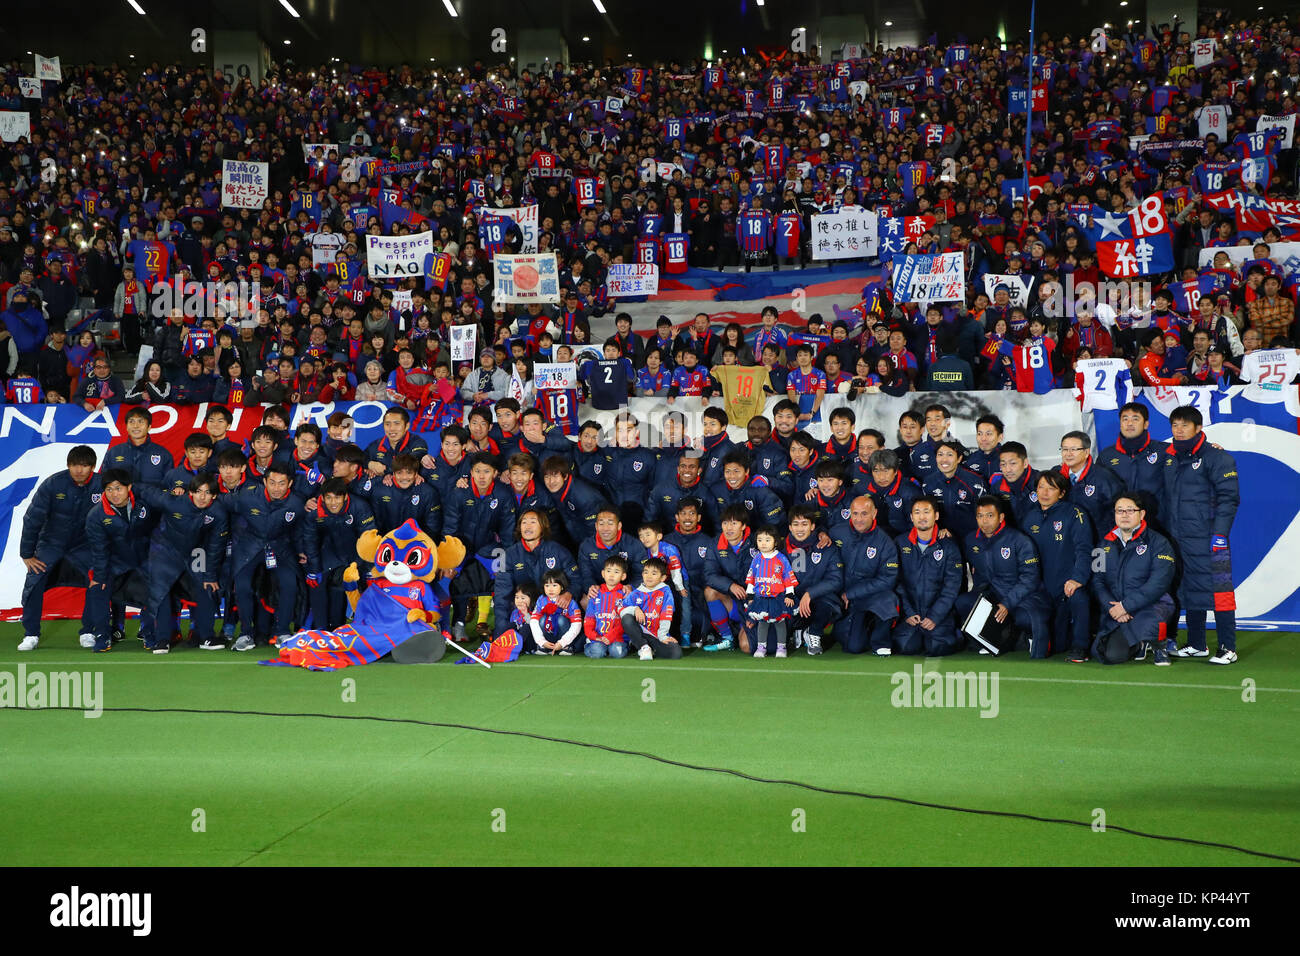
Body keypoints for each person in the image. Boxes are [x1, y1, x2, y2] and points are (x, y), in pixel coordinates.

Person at [1164, 405, 1241, 664]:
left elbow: (1229, 499)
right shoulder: (1169, 456)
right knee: (1189, 589)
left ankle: (1227, 647)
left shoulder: (1218, 457)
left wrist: (1220, 534)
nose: (1179, 430)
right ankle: (1197, 644)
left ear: (1199, 428)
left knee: (1220, 591)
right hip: (1178, 538)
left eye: (1185, 425)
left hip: (1209, 538)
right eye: (1175, 425)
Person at [17, 445, 102, 651]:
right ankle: (31, 634)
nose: (79, 470)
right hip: (52, 542)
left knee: (97, 580)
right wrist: (27, 554)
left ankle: (88, 631)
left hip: (84, 544)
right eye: (74, 465)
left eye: (84, 465)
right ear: (68, 465)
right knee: (34, 581)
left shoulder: (103, 485)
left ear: (92, 466)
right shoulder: (53, 484)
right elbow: (32, 519)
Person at [133, 474, 228, 653]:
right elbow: (145, 491)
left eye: (208, 493)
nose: (202, 496)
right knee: (161, 590)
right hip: (165, 549)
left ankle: (206, 637)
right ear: (191, 492)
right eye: (198, 491)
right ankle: (162, 639)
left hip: (196, 551)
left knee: (207, 585)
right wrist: (125, 488)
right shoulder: (172, 501)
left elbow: (216, 547)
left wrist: (211, 575)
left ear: (214, 496)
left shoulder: (218, 513)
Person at [219, 462, 307, 649]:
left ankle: (283, 632)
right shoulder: (247, 496)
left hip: (280, 549)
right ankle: (245, 634)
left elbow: (299, 530)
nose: (276, 488)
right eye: (272, 482)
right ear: (264, 482)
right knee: (242, 587)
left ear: (290, 484)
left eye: (281, 483)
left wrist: (301, 550)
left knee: (290, 584)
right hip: (249, 548)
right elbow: (221, 500)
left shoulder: (297, 504)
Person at [955, 497, 1051, 658]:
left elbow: (1030, 578)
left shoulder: (1019, 540)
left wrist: (1007, 603)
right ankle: (993, 638)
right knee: (963, 602)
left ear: (1001, 517)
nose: (984, 521)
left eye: (990, 515)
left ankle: (1026, 636)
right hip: (992, 594)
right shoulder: (971, 540)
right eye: (980, 516)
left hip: (1022, 596)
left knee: (1024, 618)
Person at [1091, 494, 1178, 665]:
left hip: (1150, 606)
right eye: (1120, 511)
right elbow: (1097, 581)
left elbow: (1158, 584)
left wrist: (1126, 606)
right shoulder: (1102, 545)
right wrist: (1113, 608)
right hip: (1116, 609)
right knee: (1108, 655)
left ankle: (1158, 645)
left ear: (1142, 514)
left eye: (1130, 510)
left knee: (1150, 623)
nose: (1124, 515)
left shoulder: (1160, 543)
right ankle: (1139, 644)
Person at [1024, 471, 1094, 661]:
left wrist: (1078, 578)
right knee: (1057, 645)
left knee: (1080, 598)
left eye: (1051, 488)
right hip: (1041, 588)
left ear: (1062, 493)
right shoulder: (1030, 517)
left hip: (1067, 585)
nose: (1045, 493)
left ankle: (1081, 647)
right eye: (1041, 487)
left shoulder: (1075, 514)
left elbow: (1084, 549)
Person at [83, 469, 154, 652]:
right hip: (115, 563)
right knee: (97, 587)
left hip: (144, 559)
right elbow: (100, 550)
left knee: (160, 584)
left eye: (118, 488)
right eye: (109, 489)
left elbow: (157, 532)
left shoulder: (145, 505)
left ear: (129, 487)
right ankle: (103, 635)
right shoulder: (95, 515)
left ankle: (149, 631)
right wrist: (99, 576)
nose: (114, 494)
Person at [302, 477, 377, 631]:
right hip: (328, 551)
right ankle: (320, 631)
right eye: (328, 498)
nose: (333, 502)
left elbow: (368, 540)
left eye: (337, 497)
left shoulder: (360, 507)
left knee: (352, 585)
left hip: (356, 554)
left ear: (345, 497)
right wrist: (314, 569)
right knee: (317, 582)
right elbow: (310, 540)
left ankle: (351, 629)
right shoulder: (315, 510)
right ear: (322, 498)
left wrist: (366, 567)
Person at [893, 496, 964, 656]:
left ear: (936, 515)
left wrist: (935, 616)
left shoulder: (949, 546)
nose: (922, 517)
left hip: (938, 614)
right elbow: (895, 581)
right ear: (911, 517)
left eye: (927, 512)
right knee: (905, 647)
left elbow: (952, 586)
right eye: (917, 512)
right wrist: (908, 612)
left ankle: (957, 634)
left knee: (937, 648)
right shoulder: (900, 543)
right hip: (911, 614)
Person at [492, 509, 579, 638]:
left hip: (553, 612)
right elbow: (501, 594)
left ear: (543, 527)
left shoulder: (558, 551)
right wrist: (501, 629)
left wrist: (569, 593)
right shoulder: (509, 555)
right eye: (524, 522)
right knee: (509, 634)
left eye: (533, 522)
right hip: (524, 614)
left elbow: (576, 579)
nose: (527, 526)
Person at [830, 496, 899, 655]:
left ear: (874, 513)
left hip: (866, 596)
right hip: (840, 599)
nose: (859, 519)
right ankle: (860, 624)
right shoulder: (836, 532)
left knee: (890, 599)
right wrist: (821, 534)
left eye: (864, 514)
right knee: (853, 647)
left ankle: (880, 641)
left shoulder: (885, 542)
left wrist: (852, 594)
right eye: (855, 514)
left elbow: (887, 579)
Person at [702, 505, 756, 653]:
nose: (728, 528)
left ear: (743, 526)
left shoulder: (758, 541)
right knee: (710, 591)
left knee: (746, 647)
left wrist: (753, 596)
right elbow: (709, 575)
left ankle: (745, 630)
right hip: (732, 601)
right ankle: (727, 639)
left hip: (755, 603)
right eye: (725, 523)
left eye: (734, 523)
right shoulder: (714, 544)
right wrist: (730, 585)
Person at [744, 525, 799, 658]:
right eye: (760, 540)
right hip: (760, 598)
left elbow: (788, 578)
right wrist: (750, 596)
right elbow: (751, 579)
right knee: (762, 623)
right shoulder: (756, 559)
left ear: (775, 542)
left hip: (778, 598)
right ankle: (761, 647)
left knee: (780, 623)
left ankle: (781, 647)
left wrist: (789, 595)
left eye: (767, 540)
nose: (763, 543)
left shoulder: (781, 559)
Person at [1056, 430, 1122, 532]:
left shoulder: (1104, 478)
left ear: (1086, 452)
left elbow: (1119, 512)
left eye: (1073, 449)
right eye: (1065, 449)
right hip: (1065, 538)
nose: (1068, 454)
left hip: (1099, 540)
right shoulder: (1056, 475)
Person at [620, 558, 680, 660]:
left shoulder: (665, 591)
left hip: (656, 635)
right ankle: (643, 646)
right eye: (646, 572)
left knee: (676, 653)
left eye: (654, 573)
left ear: (663, 577)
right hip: (639, 632)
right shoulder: (635, 593)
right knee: (627, 618)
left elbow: (666, 615)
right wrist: (634, 609)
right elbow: (621, 610)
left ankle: (648, 648)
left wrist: (663, 636)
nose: (648, 576)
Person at [583, 556, 630, 659]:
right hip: (598, 638)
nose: (612, 575)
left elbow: (625, 621)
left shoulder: (624, 594)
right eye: (608, 571)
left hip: (617, 638)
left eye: (616, 572)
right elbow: (589, 619)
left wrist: (611, 636)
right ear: (603, 574)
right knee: (598, 652)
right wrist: (595, 636)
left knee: (617, 653)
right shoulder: (596, 593)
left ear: (623, 576)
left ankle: (625, 646)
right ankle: (590, 646)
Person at [528, 570, 584, 655]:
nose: (550, 589)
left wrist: (563, 643)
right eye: (547, 585)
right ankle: (546, 647)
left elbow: (577, 624)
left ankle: (566, 647)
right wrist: (541, 641)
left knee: (560, 619)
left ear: (562, 586)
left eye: (554, 585)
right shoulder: (541, 600)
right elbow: (533, 621)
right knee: (542, 619)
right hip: (547, 638)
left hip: (566, 640)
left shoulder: (569, 602)